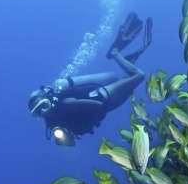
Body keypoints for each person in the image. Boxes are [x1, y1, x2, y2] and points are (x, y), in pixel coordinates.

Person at [28, 12, 153, 146]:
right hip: (105, 106)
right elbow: (72, 144)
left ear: (46, 100)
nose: (43, 111)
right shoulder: (53, 124)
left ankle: (115, 53)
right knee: (129, 86)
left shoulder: (63, 104)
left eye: (43, 106)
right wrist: (62, 139)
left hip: (104, 97)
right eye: (38, 112)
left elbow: (97, 105)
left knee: (139, 76)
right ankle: (129, 61)